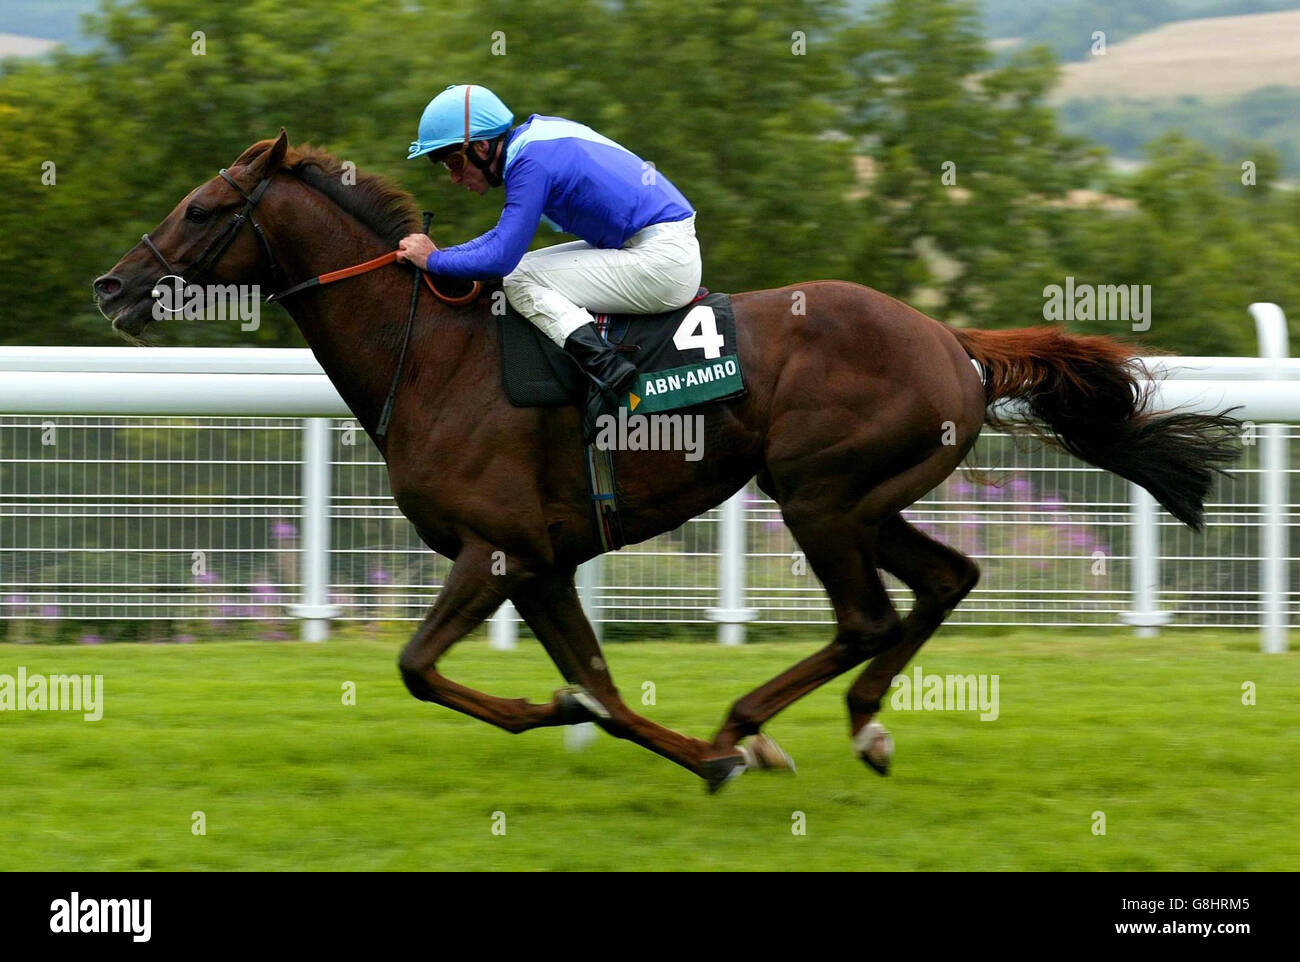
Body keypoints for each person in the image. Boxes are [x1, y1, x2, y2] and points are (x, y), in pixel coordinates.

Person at [397, 84, 701, 440]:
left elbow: (500, 260)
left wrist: (433, 262)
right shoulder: (534, 141)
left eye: (454, 163)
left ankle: (607, 372)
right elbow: (500, 239)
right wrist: (440, 256)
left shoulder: (531, 161)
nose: (454, 177)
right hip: (655, 246)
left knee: (518, 279)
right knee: (524, 269)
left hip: (664, 261)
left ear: (480, 147)